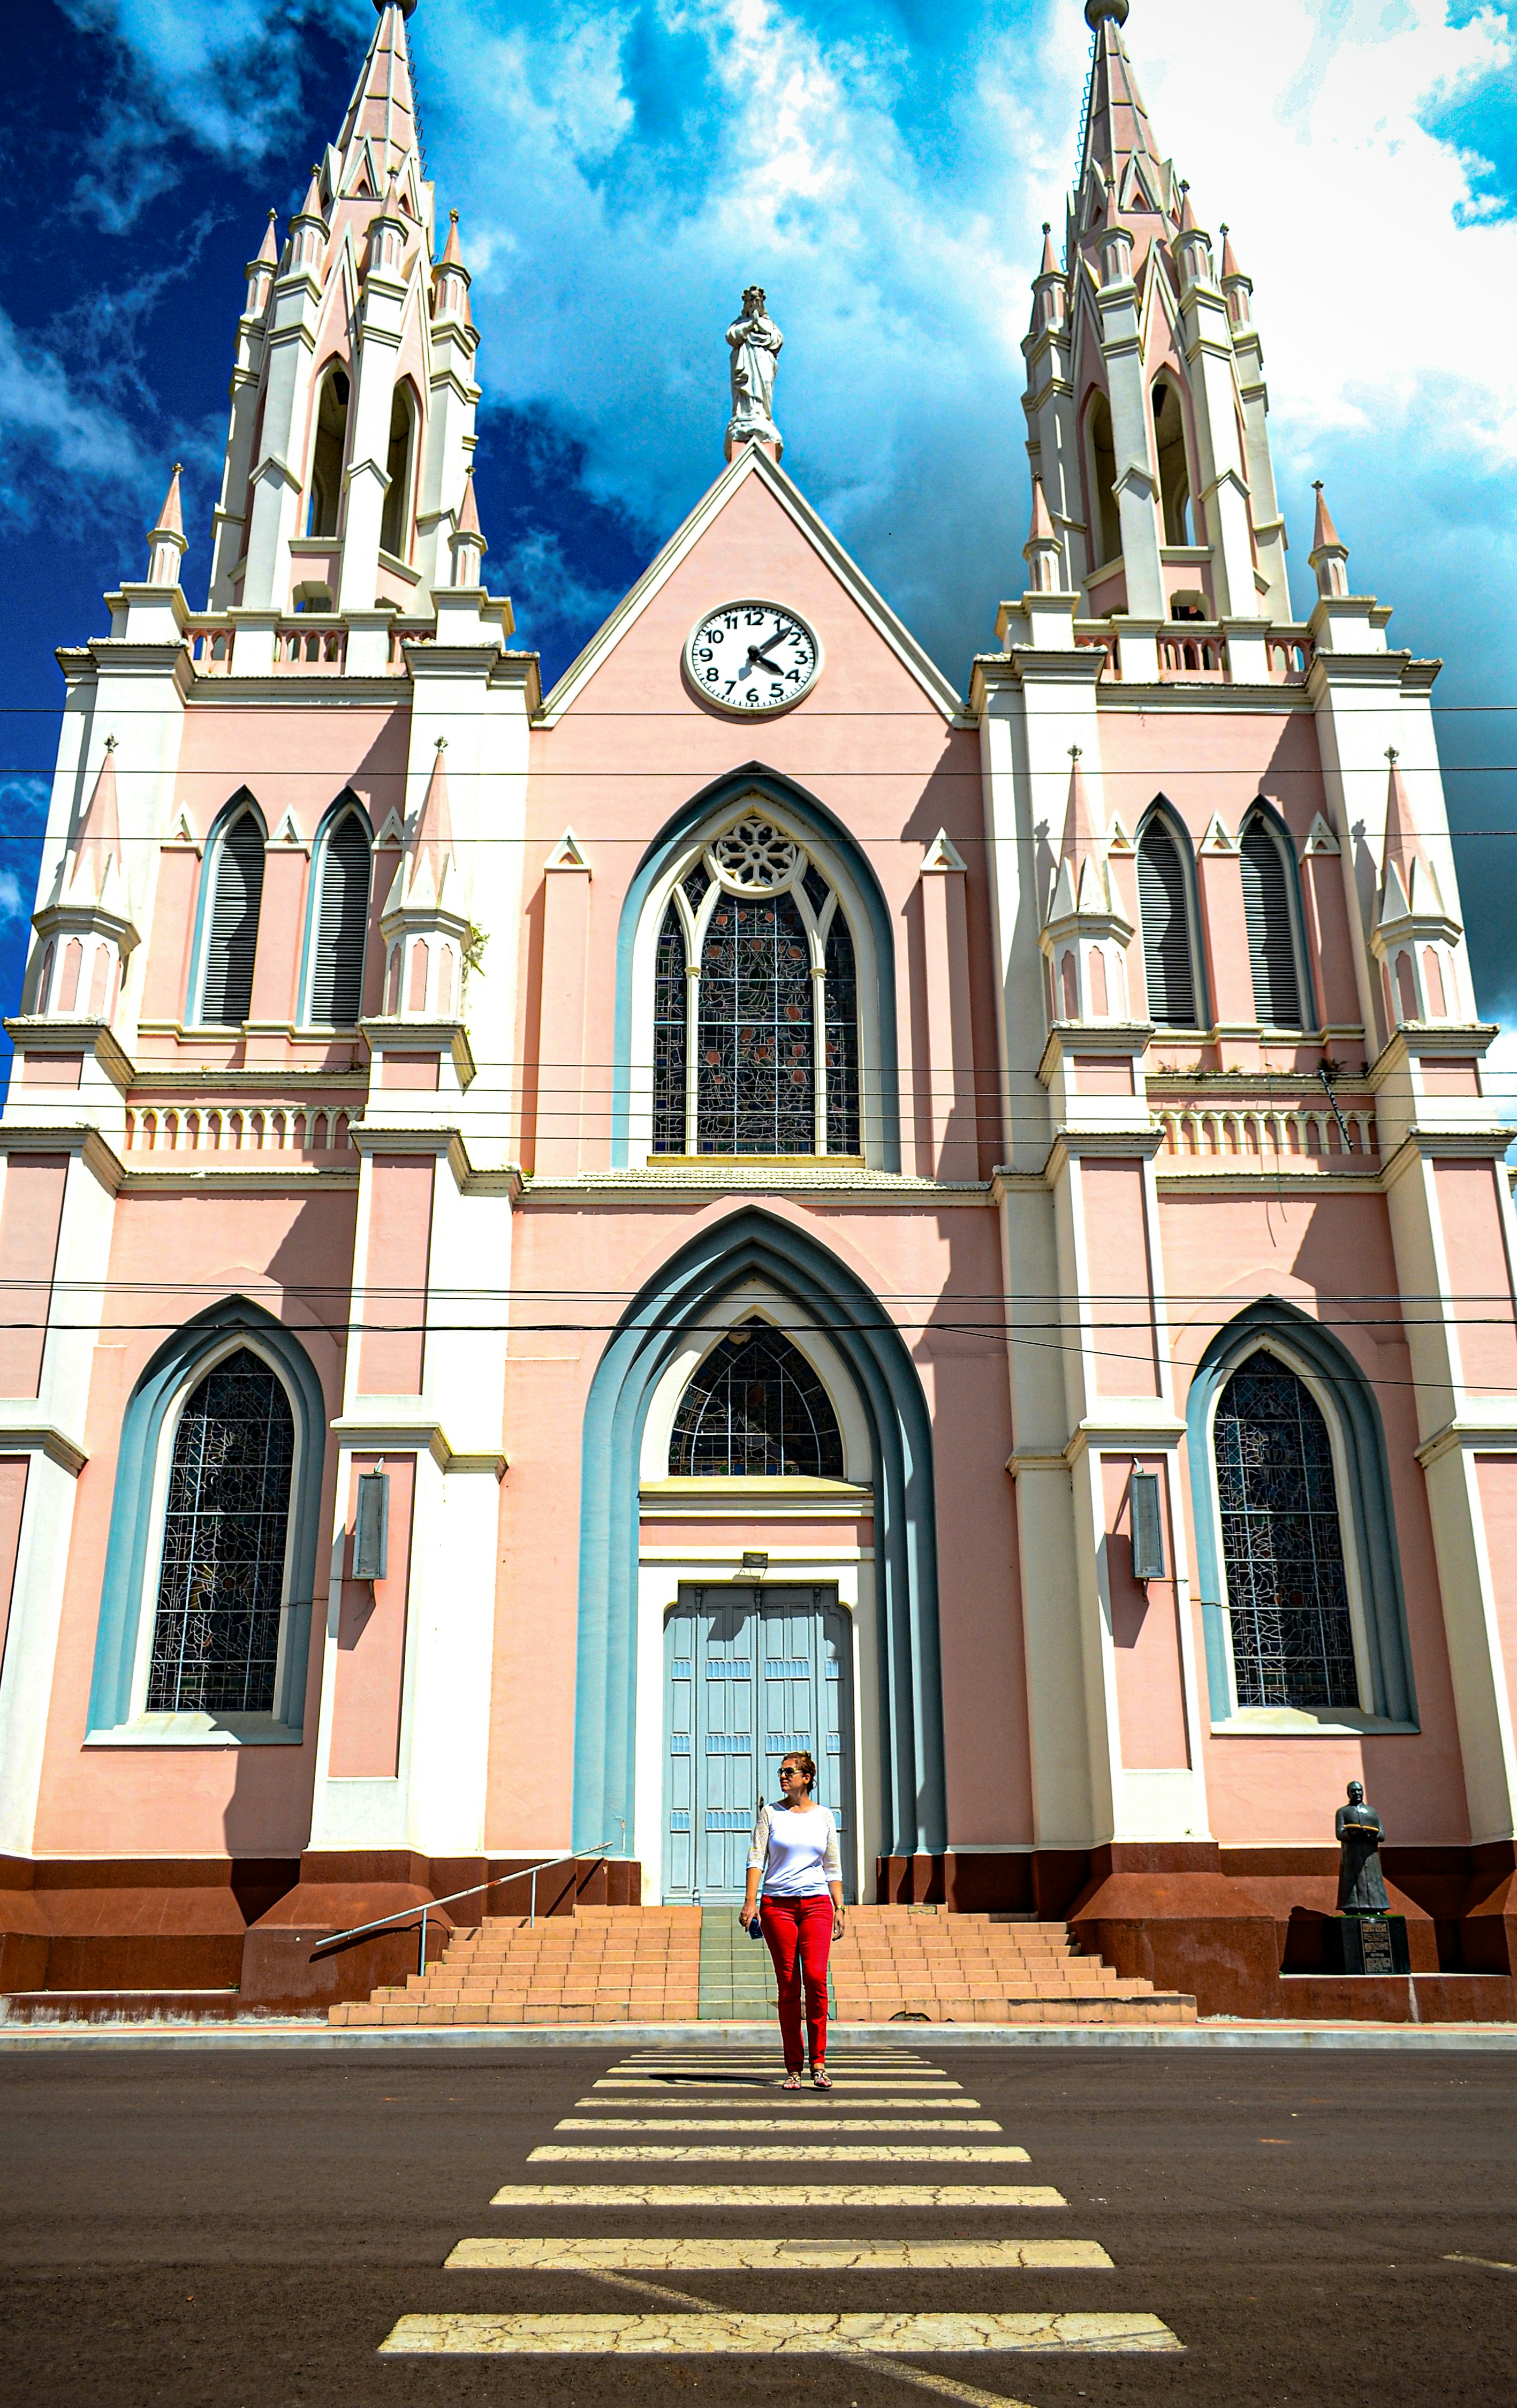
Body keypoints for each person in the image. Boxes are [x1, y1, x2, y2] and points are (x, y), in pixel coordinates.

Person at [740, 1751, 845, 2089]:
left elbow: (832, 1866)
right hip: (777, 1907)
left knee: (815, 1978)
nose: (783, 1777)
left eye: (789, 1771)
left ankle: (819, 2062)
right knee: (788, 1985)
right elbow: (756, 1857)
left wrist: (840, 1907)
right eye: (781, 1772)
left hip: (816, 1905)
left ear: (807, 1778)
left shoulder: (825, 1817)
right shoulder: (770, 1814)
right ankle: (794, 2067)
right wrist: (750, 1903)